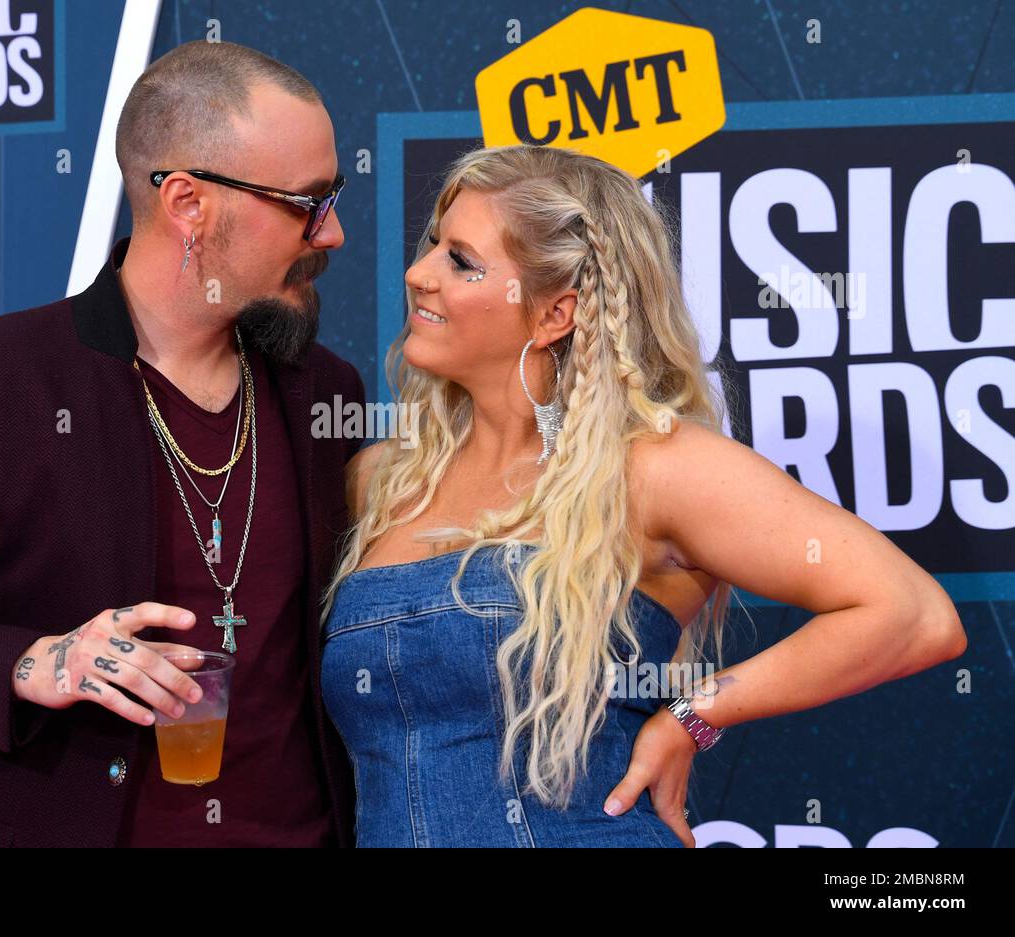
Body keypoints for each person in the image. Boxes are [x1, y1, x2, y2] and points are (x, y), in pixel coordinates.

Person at [320, 144, 967, 848]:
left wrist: (695, 714)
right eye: (434, 246)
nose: (418, 274)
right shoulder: (384, 478)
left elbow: (914, 613)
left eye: (461, 261)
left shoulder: (650, 468)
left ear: (553, 314)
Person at [0, 40, 365, 847]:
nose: (335, 232)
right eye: (305, 203)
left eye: (334, 196)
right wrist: (39, 662)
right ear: (187, 203)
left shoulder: (326, 391)